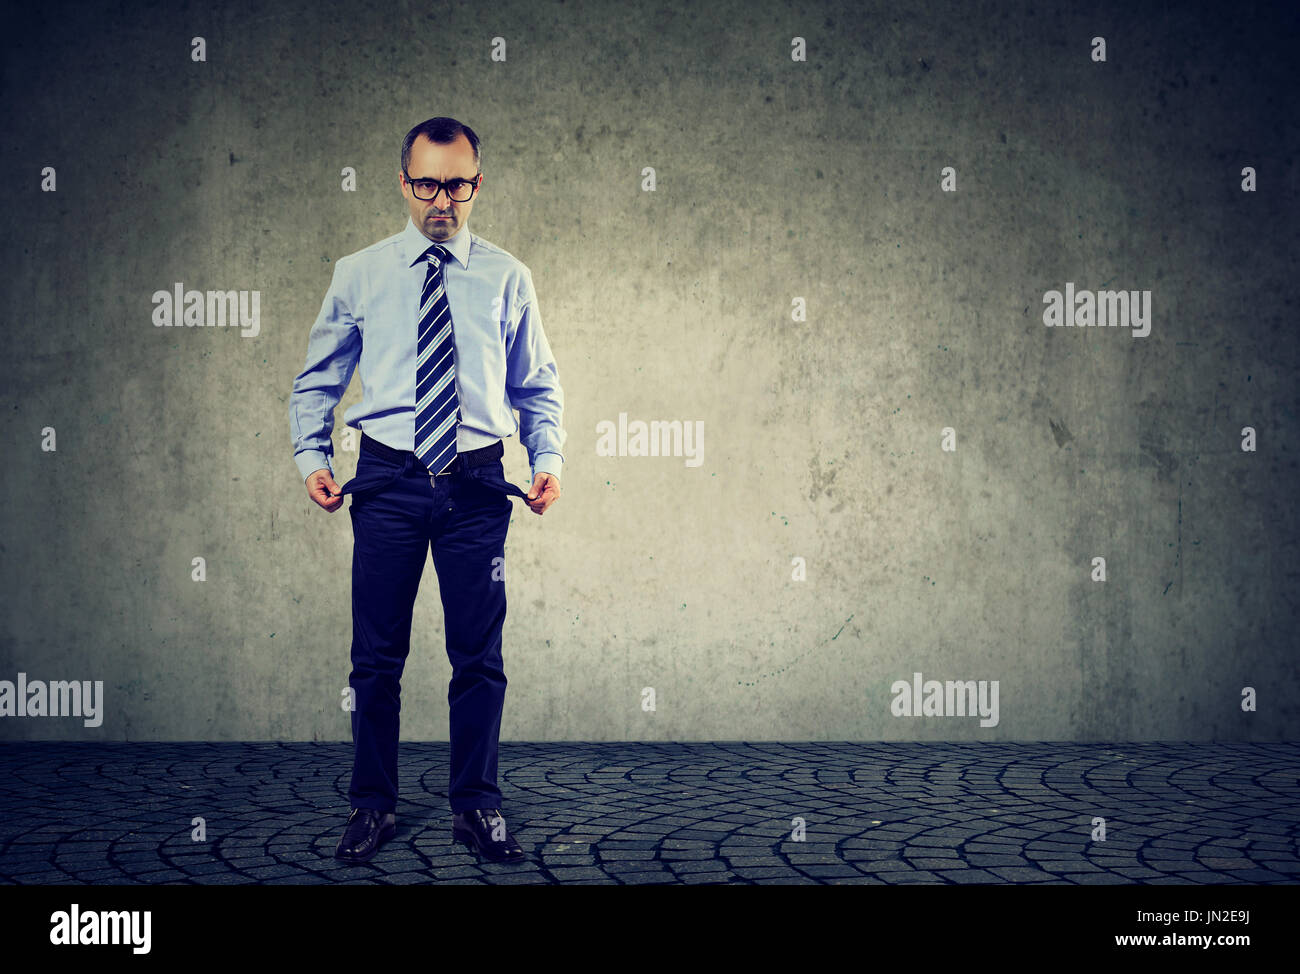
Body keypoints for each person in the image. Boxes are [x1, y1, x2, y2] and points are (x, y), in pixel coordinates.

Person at [287, 116, 565, 865]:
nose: (442, 201)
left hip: (477, 482)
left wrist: (548, 460)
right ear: (404, 184)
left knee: (479, 654)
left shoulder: (509, 277)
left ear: (478, 185)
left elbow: (536, 385)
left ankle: (476, 807)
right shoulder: (361, 272)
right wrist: (313, 456)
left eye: (459, 185)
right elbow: (317, 378)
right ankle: (372, 806)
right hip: (387, 479)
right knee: (376, 657)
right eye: (427, 184)